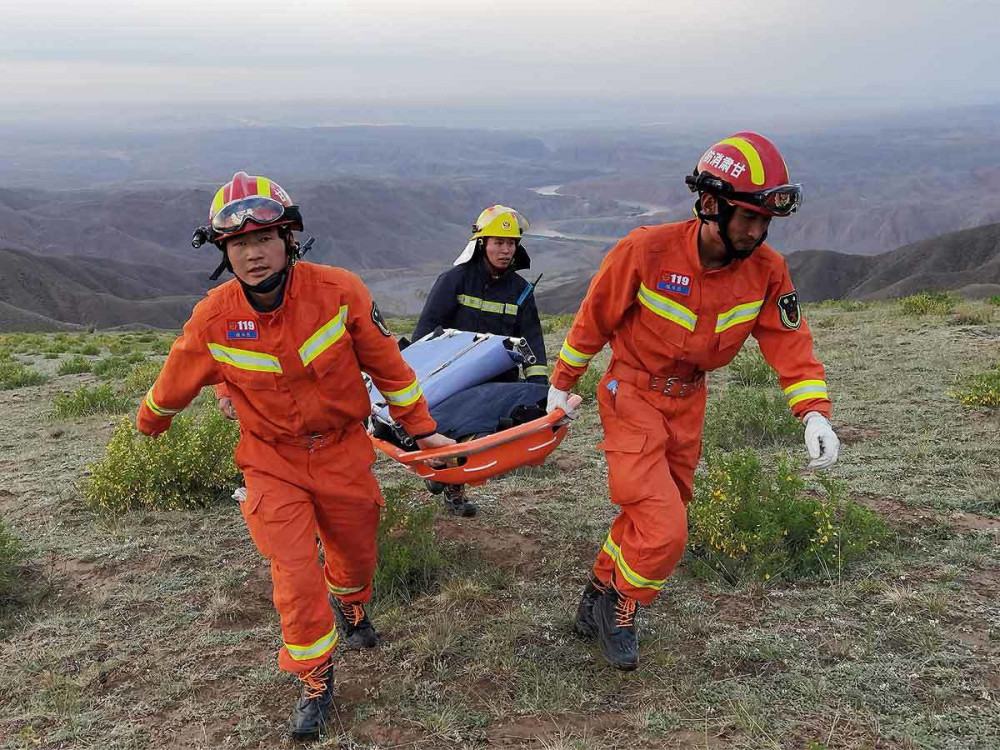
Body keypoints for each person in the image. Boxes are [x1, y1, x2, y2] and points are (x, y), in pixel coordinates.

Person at [135, 172, 453, 738]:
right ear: (223, 252)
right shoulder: (213, 317)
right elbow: (175, 378)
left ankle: (352, 603)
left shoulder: (340, 291)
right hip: (269, 462)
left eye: (263, 240)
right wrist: (151, 422)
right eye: (237, 245)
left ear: (289, 241)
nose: (252, 254)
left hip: (342, 451)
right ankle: (314, 675)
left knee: (354, 554)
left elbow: (389, 368)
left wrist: (423, 432)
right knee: (294, 572)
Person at [546, 133, 840, 671]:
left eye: (764, 221)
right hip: (630, 394)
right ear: (711, 205)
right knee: (664, 529)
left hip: (689, 404)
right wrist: (562, 383)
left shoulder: (768, 269)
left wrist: (814, 411)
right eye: (747, 217)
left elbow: (788, 342)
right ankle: (623, 607)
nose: (756, 231)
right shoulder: (646, 250)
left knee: (652, 515)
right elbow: (594, 318)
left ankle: (595, 595)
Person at [411, 205, 548, 517]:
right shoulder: (455, 281)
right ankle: (451, 484)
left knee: (479, 435)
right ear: (482, 244)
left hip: (498, 380)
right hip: (453, 376)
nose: (505, 250)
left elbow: (533, 340)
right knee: (452, 430)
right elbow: (426, 331)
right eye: (498, 242)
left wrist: (539, 388)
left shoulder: (521, 291)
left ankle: (449, 476)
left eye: (511, 243)